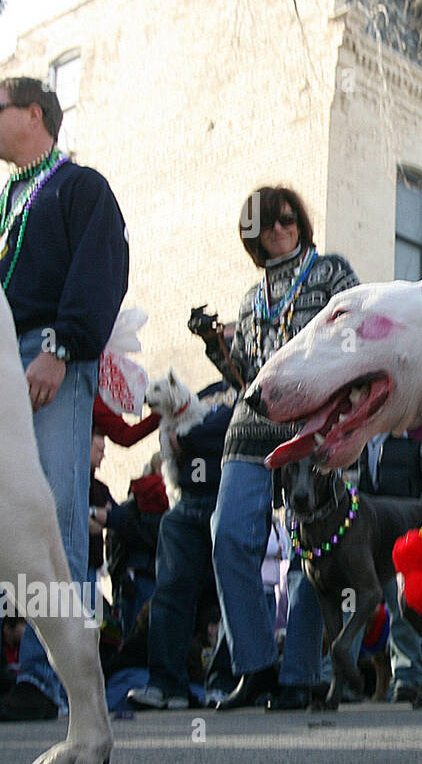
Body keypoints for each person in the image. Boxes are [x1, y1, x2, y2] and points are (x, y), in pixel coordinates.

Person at [193, 186, 359, 710]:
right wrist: (213, 343)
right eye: (268, 224)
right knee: (229, 534)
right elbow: (243, 375)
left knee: (308, 547)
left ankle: (300, 674)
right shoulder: (252, 297)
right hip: (253, 421)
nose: (281, 229)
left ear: (301, 222)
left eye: (288, 219)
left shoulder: (332, 271)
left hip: (313, 413)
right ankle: (256, 666)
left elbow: (361, 329)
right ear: (255, 236)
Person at [0, 76, 130, 722]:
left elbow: (100, 268)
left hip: (45, 356)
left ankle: (55, 686)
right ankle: (30, 671)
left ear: (32, 112)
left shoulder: (80, 187)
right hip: (3, 359)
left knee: (52, 515)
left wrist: (62, 346)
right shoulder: (8, 198)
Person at [127, 381, 235, 710]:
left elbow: (222, 434)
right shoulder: (203, 391)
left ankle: (224, 684)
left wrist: (189, 439)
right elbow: (173, 440)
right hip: (186, 503)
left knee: (230, 593)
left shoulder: (252, 391)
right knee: (171, 592)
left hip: (225, 502)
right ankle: (165, 686)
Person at [356, 431, 422, 703]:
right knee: (358, 604)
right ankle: (347, 678)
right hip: (370, 538)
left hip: (406, 534)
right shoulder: (360, 442)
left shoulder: (415, 439)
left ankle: (407, 677)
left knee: (401, 607)